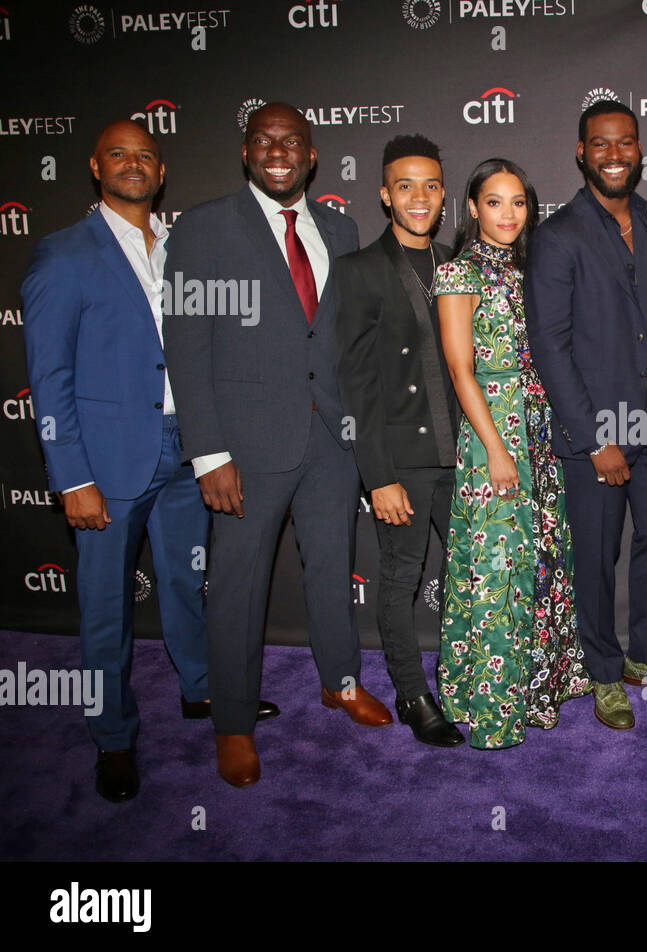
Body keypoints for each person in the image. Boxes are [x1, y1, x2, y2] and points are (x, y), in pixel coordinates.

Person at [20, 120, 277, 803]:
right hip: (106, 463)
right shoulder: (64, 255)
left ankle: (200, 692)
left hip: (187, 449)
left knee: (187, 584)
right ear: (95, 168)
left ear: (162, 172)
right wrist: (71, 475)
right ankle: (112, 736)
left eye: (145, 156)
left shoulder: (182, 249)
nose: (133, 165)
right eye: (119, 155)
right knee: (105, 610)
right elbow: (49, 378)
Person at [163, 102, 383, 789]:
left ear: (311, 155)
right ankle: (232, 722)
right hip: (247, 447)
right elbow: (187, 345)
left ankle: (340, 682)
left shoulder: (342, 228)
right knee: (237, 585)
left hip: (331, 438)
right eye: (265, 140)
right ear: (246, 152)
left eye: (291, 141)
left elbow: (350, 338)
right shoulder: (203, 229)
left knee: (332, 566)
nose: (278, 150)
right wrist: (208, 453)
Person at [524, 100, 647, 731]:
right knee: (596, 556)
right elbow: (550, 345)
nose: (615, 154)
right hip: (598, 424)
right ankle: (603, 671)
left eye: (626, 143)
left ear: (640, 149)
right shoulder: (557, 235)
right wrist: (596, 435)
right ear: (581, 152)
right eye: (601, 144)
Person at [435, 158, 591, 749]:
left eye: (518, 202)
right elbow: (460, 368)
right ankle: (491, 707)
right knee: (498, 570)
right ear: (472, 208)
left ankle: (535, 691)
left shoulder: (535, 267)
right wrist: (496, 450)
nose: (507, 214)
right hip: (492, 430)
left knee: (542, 562)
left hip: (541, 426)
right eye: (494, 202)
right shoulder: (458, 274)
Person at [334, 134, 464, 749]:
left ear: (443, 195)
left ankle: (469, 680)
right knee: (401, 577)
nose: (419, 196)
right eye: (405, 185)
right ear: (386, 193)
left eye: (431, 185)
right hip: (403, 460)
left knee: (472, 573)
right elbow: (354, 386)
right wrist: (377, 474)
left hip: (463, 454)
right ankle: (412, 693)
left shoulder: (455, 263)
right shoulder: (359, 271)